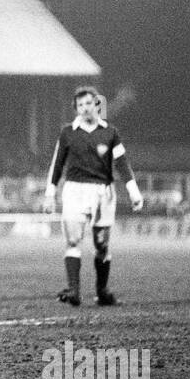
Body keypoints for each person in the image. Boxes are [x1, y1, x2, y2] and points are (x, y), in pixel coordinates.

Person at [43, 86, 143, 306]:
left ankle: (102, 290)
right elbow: (57, 164)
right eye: (80, 105)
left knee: (101, 245)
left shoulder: (110, 132)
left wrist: (133, 190)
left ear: (97, 104)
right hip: (74, 190)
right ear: (76, 109)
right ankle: (74, 291)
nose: (84, 108)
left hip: (102, 192)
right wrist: (50, 193)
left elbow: (122, 163)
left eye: (88, 104)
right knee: (72, 240)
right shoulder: (68, 132)